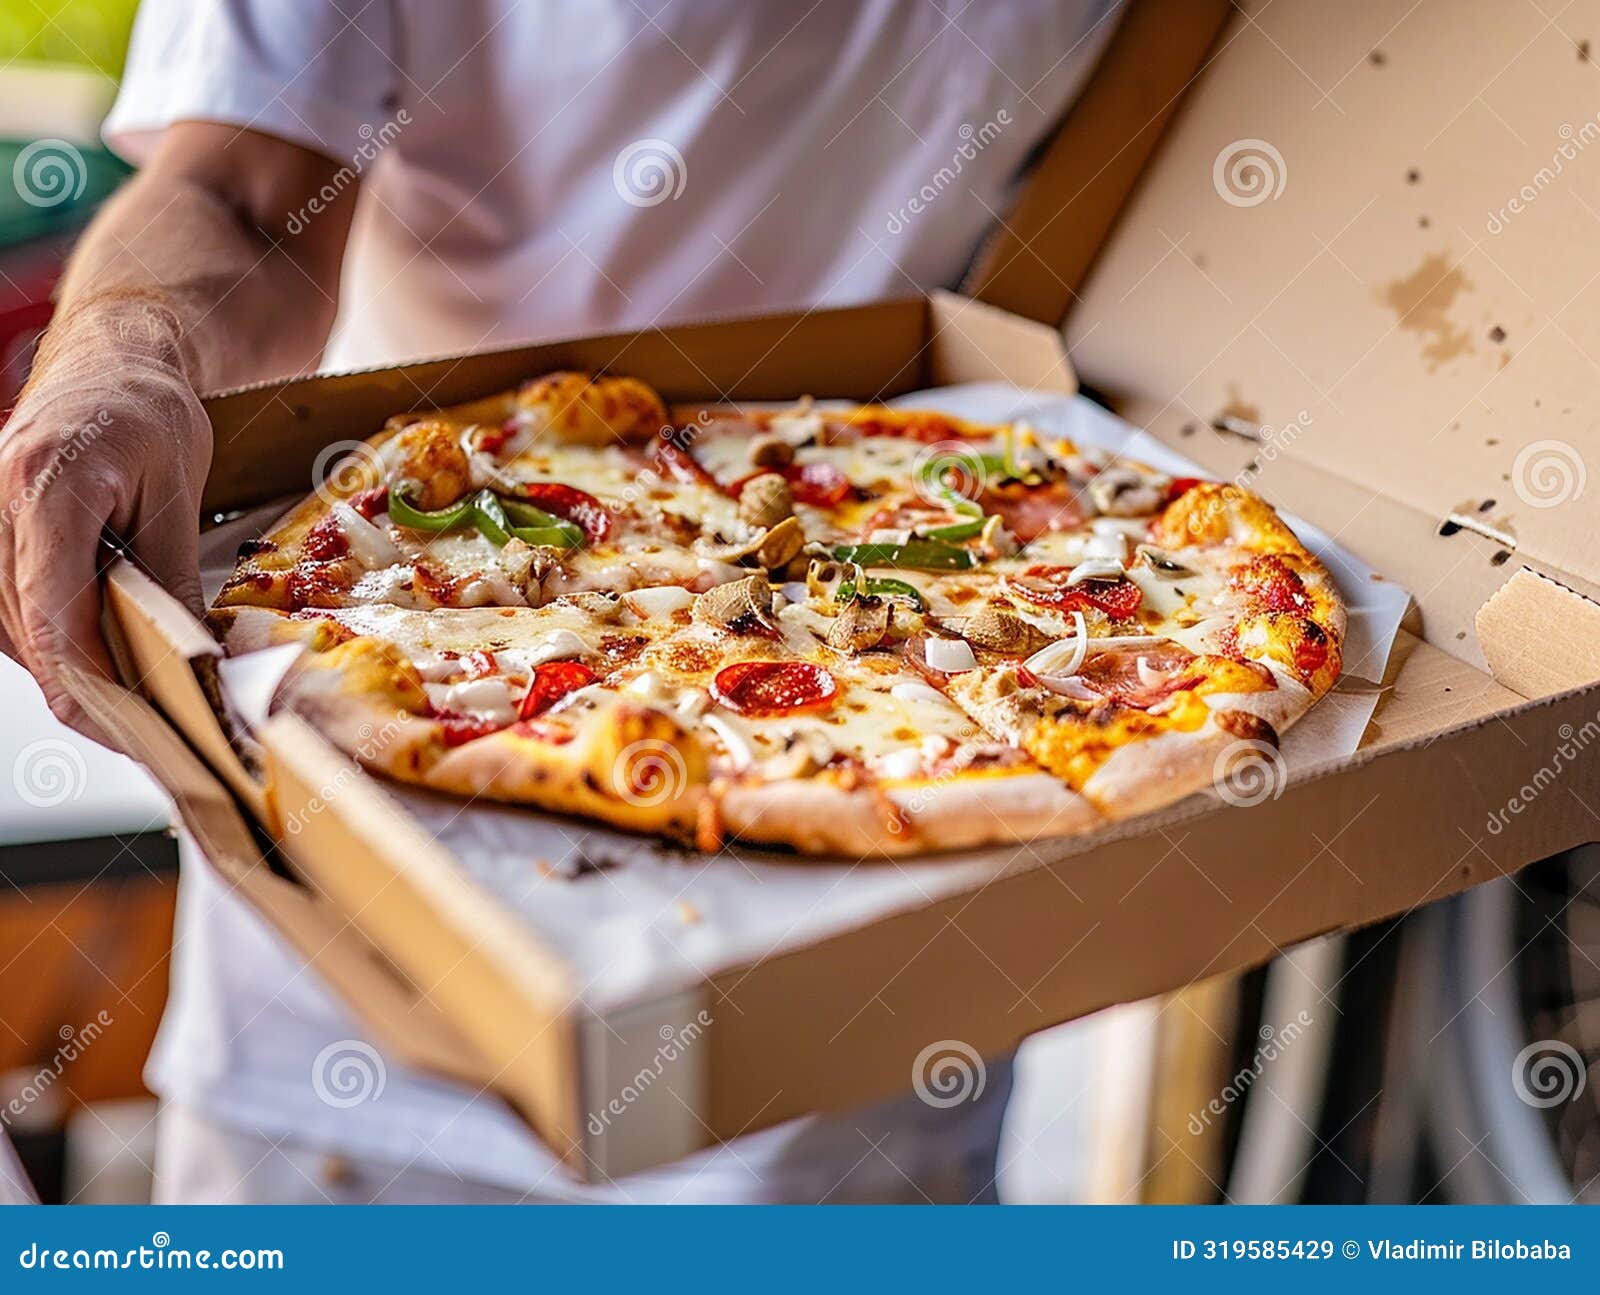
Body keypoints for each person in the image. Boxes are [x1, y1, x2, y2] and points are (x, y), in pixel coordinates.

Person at [0, 0, 1122, 1203]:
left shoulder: (1197, 621)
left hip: (881, 945)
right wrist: (121, 352)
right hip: (396, 759)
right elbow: (244, 194)